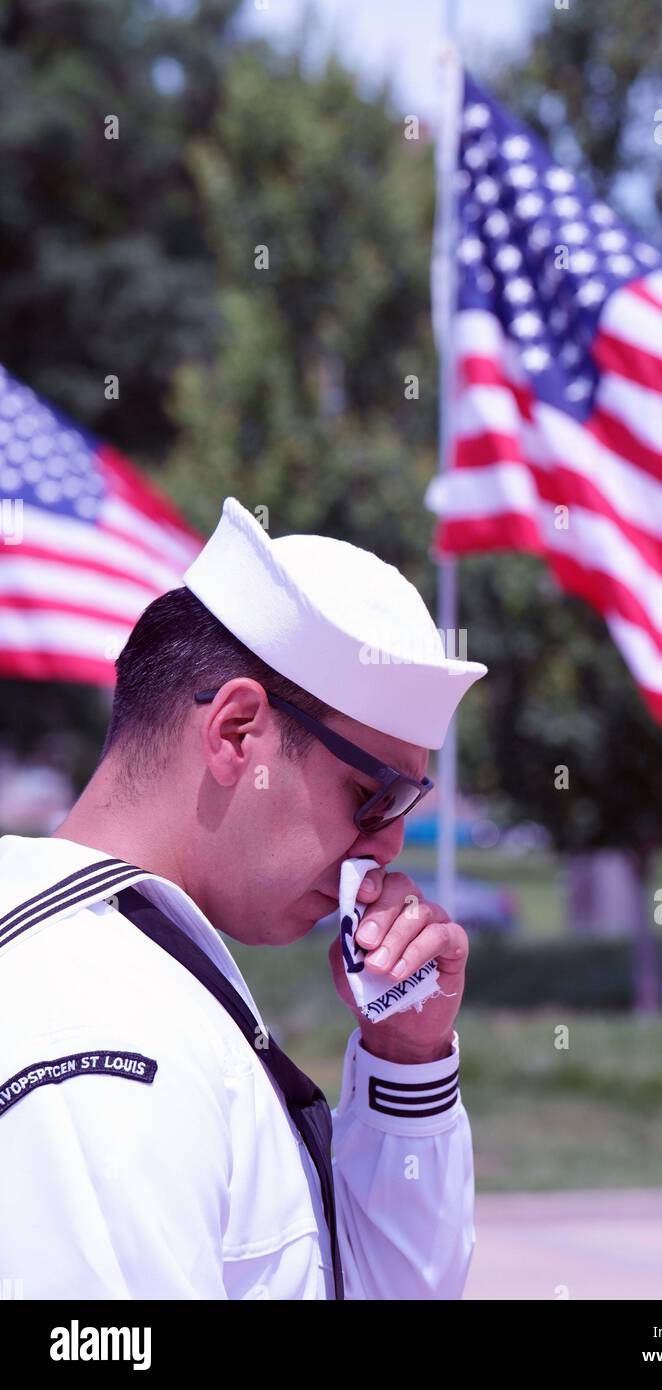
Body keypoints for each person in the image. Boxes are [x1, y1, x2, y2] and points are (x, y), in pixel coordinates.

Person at [0, 497, 487, 1300]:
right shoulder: (97, 1020)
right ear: (235, 733)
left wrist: (407, 1061)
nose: (387, 847)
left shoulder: (135, 967)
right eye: (374, 795)